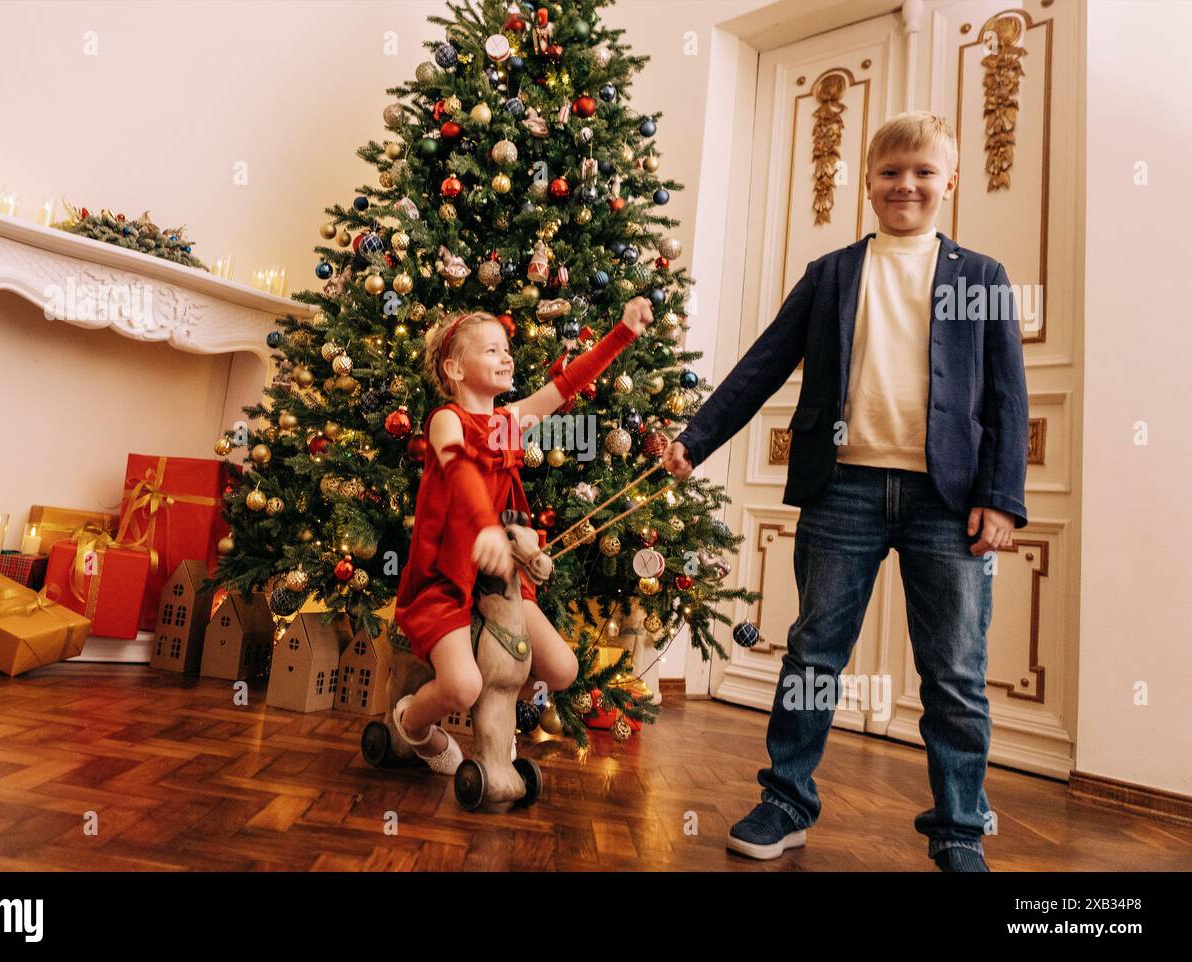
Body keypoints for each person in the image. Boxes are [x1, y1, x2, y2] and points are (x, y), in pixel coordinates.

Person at [662, 111, 1029, 872]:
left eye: (924, 172)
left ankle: (961, 831)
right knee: (812, 657)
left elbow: (1007, 397)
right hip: (844, 492)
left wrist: (1001, 496)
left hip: (949, 503)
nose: (907, 185)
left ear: (950, 183)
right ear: (867, 183)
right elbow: (762, 364)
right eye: (891, 172)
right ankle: (786, 802)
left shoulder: (981, 279)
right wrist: (695, 442)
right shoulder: (832, 275)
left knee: (955, 674)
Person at [393, 297, 653, 772]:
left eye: (507, 349)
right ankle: (413, 725)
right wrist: (484, 526)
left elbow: (569, 382)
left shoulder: (507, 424)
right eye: (491, 350)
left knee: (562, 667)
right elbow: (460, 475)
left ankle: (498, 720)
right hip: (447, 576)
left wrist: (624, 332)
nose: (506, 357)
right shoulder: (446, 420)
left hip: (502, 578)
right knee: (461, 687)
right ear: (454, 368)